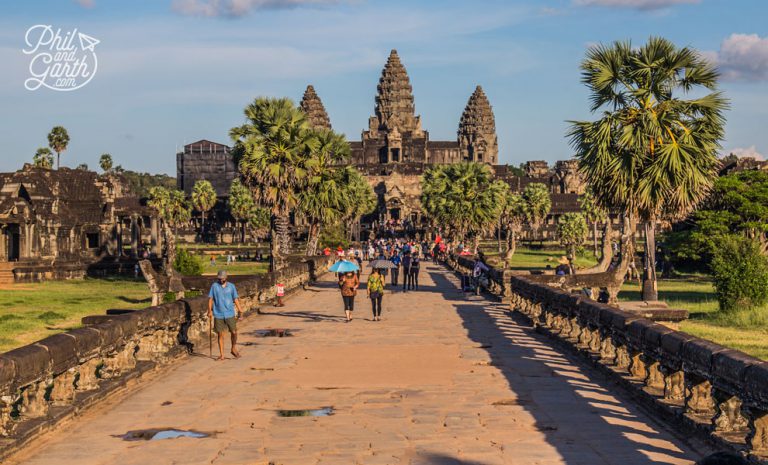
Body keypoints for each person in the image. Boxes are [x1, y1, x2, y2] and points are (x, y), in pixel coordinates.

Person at [207, 270, 244, 361]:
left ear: (226, 278)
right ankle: (222, 355)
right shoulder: (214, 286)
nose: (220, 280)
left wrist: (240, 309)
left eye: (222, 278)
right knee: (220, 334)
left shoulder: (231, 286)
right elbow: (210, 299)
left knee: (234, 332)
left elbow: (235, 299)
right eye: (219, 278)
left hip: (229, 313)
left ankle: (233, 348)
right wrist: (209, 311)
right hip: (218, 313)